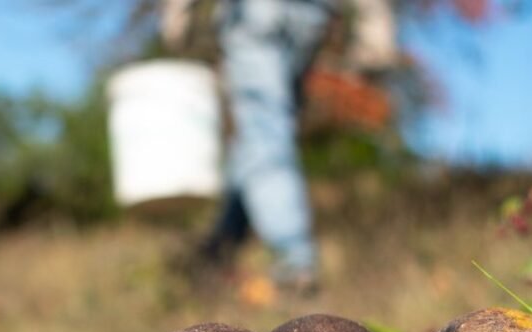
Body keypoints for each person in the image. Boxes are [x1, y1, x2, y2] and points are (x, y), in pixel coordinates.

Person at [167, 0, 397, 295]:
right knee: (262, 134)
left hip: (255, 15)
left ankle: (293, 261)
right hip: (311, 19)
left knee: (264, 132)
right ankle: (220, 248)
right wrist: (375, 27)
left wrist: (178, 14)